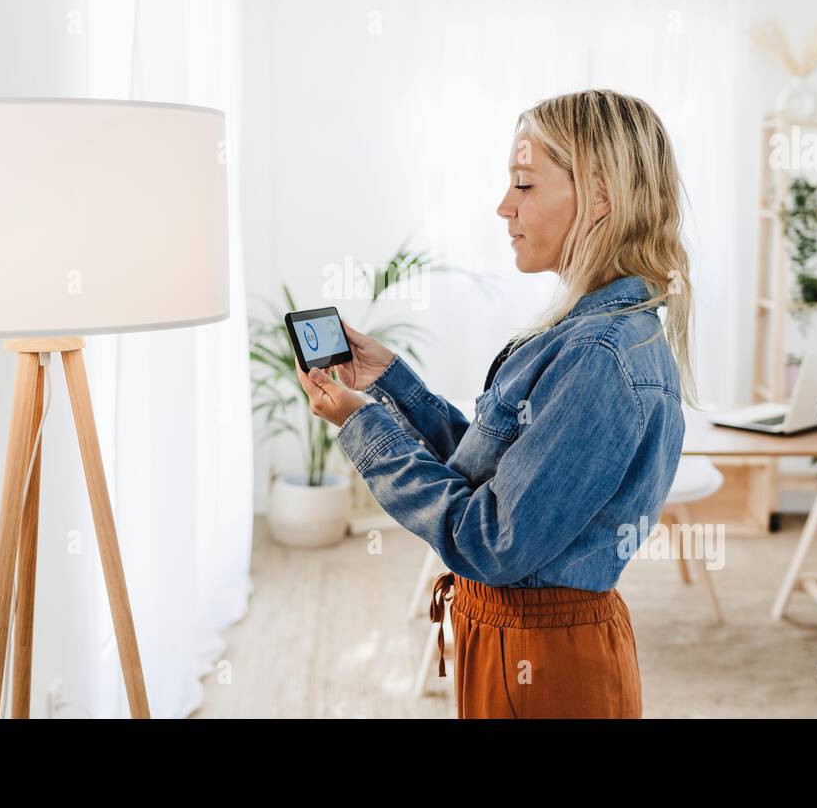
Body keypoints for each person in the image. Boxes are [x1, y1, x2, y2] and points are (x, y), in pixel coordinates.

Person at [296, 89, 697, 718]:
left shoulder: (598, 355)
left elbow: (491, 539)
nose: (504, 205)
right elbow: (502, 476)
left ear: (600, 195)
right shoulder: (590, 335)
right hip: (516, 644)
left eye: (524, 184)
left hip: (540, 661)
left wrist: (361, 425)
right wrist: (391, 384)